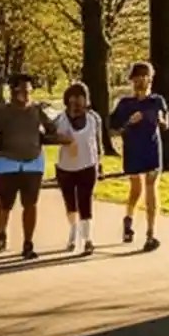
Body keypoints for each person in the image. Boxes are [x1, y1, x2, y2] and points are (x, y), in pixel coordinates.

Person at [0, 73, 65, 259]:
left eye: (29, 90)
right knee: (6, 203)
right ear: (12, 91)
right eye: (22, 90)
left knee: (31, 204)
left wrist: (47, 138)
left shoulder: (37, 111)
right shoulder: (0, 111)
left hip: (33, 163)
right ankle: (2, 231)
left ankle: (28, 243)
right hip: (6, 163)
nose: (26, 94)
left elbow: (51, 130)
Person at [109, 62, 169, 251]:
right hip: (133, 150)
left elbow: (167, 123)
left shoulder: (157, 101)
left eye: (146, 76)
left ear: (151, 78)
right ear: (132, 80)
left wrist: (161, 121)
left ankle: (151, 234)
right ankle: (128, 219)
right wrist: (129, 122)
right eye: (138, 76)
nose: (142, 79)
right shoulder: (125, 104)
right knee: (136, 189)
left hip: (152, 149)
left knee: (152, 188)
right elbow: (113, 129)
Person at [55, 82, 104, 255]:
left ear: (86, 100)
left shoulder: (94, 119)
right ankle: (73, 232)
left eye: (80, 97)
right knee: (70, 204)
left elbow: (98, 143)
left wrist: (101, 165)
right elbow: (47, 136)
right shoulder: (60, 119)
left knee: (86, 202)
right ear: (67, 99)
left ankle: (88, 239)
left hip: (88, 166)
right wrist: (63, 139)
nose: (76, 101)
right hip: (65, 168)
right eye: (73, 97)